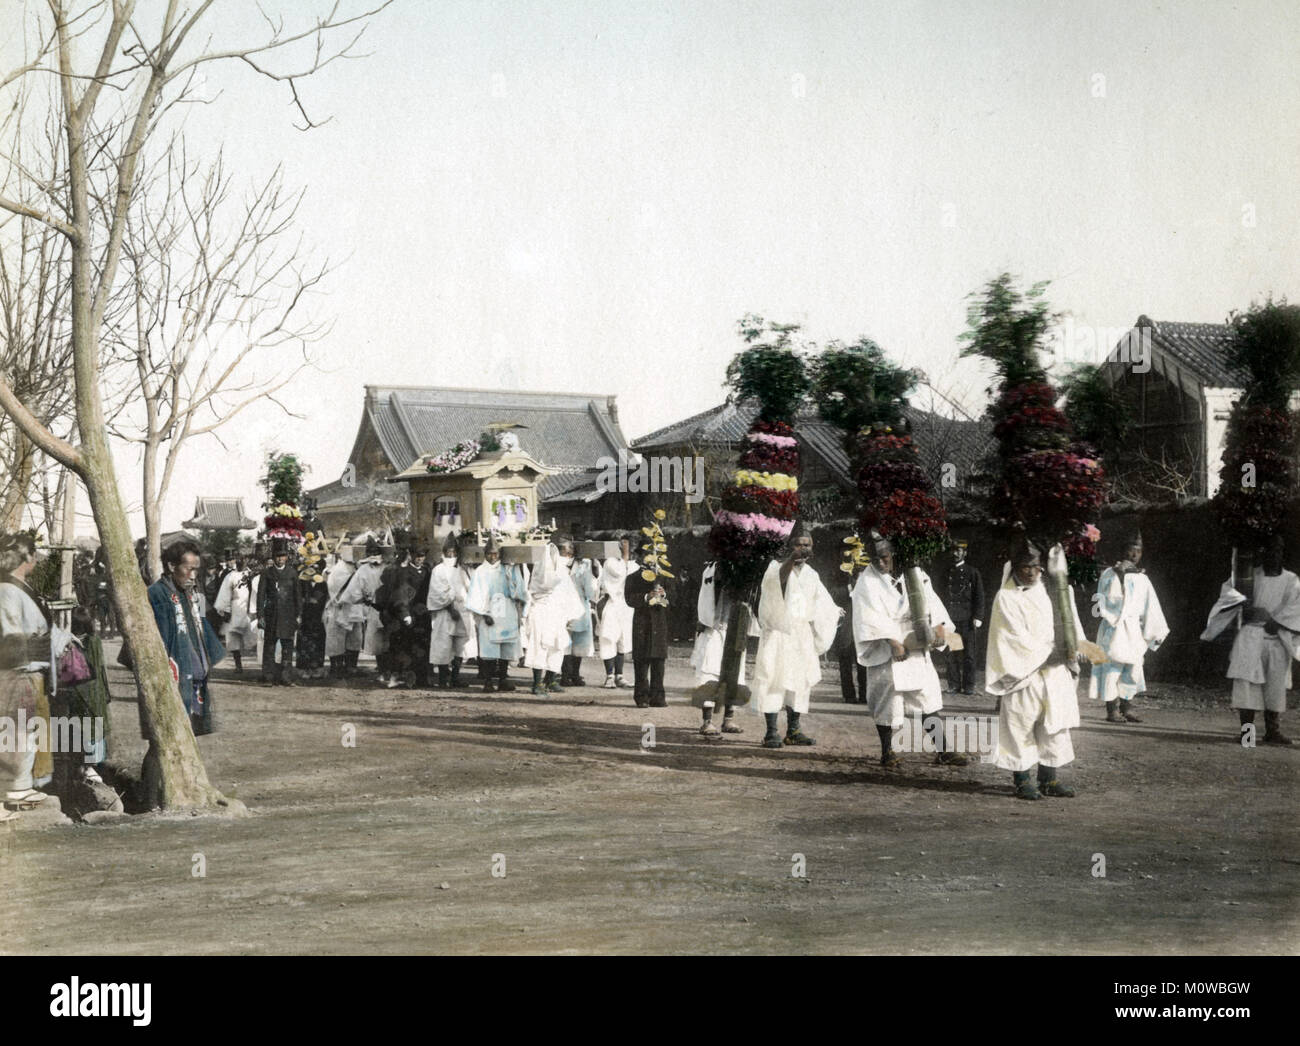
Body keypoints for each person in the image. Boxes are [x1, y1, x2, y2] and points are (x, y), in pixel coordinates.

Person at [852, 532, 966, 768]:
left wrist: (939, 633)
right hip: (888, 650)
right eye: (875, 559)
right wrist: (892, 642)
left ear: (894, 554)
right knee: (888, 702)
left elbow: (933, 604)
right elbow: (867, 616)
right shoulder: (867, 580)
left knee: (928, 699)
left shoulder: (915, 575)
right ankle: (887, 751)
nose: (880, 563)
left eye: (884, 557)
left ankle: (943, 750)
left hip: (915, 646)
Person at [987, 539, 1085, 800]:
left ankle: (1049, 779)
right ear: (1014, 567)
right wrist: (1047, 654)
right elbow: (1010, 638)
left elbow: (1069, 620)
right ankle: (1022, 779)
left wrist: (1073, 647)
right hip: (1024, 673)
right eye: (1024, 566)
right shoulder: (1006, 597)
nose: (1030, 572)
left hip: (1054, 672)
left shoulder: (1052, 591)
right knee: (1021, 723)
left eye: (1035, 566)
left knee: (1054, 724)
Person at [1201, 534, 1300, 745]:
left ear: (1282, 553)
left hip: (1277, 639)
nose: (1273, 554)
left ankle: (1273, 732)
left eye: (1277, 550)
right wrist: (1243, 603)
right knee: (1246, 686)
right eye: (1268, 550)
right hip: (1250, 637)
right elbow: (1228, 592)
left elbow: (1296, 607)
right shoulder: (1248, 576)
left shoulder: (1291, 580)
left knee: (1275, 686)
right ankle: (1248, 734)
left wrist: (1277, 621)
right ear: (1261, 553)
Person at [750, 526, 840, 749]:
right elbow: (777, 583)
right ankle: (771, 732)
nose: (803, 548)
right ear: (790, 546)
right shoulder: (776, 567)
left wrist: (834, 611)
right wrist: (791, 560)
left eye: (807, 545)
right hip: (779, 632)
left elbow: (823, 602)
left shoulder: (812, 574)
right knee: (773, 678)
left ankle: (794, 730)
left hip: (800, 635)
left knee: (799, 682)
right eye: (799, 544)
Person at [1088, 531, 1168, 723]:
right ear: (1123, 551)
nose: (1134, 555)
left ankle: (1127, 707)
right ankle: (1112, 710)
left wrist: (1153, 630)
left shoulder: (1142, 578)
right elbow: (1105, 600)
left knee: (1133, 668)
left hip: (1133, 628)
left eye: (1138, 552)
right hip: (1114, 626)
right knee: (1112, 667)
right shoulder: (1109, 574)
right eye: (1130, 550)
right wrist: (1121, 575)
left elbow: (1151, 605)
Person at [147, 539, 225, 735]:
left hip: (194, 676)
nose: (193, 576)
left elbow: (201, 630)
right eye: (188, 569)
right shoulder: (157, 593)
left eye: (196, 570)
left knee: (188, 735)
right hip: (174, 674)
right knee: (168, 737)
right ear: (172, 566)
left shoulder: (190, 593)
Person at [0, 532, 54, 813]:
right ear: (27, 558)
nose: (36, 559)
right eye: (34, 554)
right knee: (16, 730)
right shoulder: (8, 591)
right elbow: (10, 636)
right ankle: (13, 788)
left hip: (25, 669)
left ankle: (19, 786)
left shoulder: (17, 589)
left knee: (24, 730)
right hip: (16, 670)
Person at [692, 561, 750, 738]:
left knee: (735, 673)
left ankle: (728, 718)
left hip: (735, 627)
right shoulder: (713, 568)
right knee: (711, 673)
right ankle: (707, 721)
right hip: (715, 628)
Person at [522, 539, 585, 695]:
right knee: (540, 647)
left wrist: (570, 614)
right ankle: (537, 684)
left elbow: (568, 593)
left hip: (557, 613)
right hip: (541, 612)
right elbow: (543, 585)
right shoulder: (540, 570)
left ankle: (551, 680)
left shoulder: (561, 571)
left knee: (558, 646)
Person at [465, 537, 527, 692]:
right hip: (489, 611)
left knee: (506, 646)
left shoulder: (507, 569)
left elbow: (518, 590)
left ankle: (503, 679)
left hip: (507, 610)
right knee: (489, 649)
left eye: (496, 554)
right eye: (490, 554)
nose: (493, 557)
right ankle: (487, 681)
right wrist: (484, 614)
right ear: (485, 554)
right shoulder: (480, 571)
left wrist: (513, 571)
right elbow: (476, 594)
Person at [427, 534, 471, 688]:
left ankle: (455, 677)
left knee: (461, 646)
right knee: (443, 646)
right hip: (444, 613)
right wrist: (449, 608)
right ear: (443, 552)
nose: (451, 555)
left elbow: (469, 588)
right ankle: (442, 679)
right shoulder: (438, 570)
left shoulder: (462, 569)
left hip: (462, 612)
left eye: (453, 552)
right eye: (448, 552)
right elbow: (437, 592)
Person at [626, 561, 672, 708]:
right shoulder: (633, 577)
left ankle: (658, 696)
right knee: (641, 661)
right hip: (642, 623)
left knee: (659, 661)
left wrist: (664, 594)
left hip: (659, 622)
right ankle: (642, 697)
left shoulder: (664, 577)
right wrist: (647, 596)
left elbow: (675, 596)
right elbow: (629, 599)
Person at [257, 538, 302, 686]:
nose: (280, 559)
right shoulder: (267, 573)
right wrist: (260, 615)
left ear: (287, 557)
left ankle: (286, 677)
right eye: (277, 556)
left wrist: (299, 614)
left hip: (288, 615)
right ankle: (268, 677)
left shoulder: (292, 573)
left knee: (287, 646)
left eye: (282, 556)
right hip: (271, 614)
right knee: (269, 646)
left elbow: (297, 595)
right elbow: (261, 595)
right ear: (273, 557)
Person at [943, 540, 985, 695]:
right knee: (952, 654)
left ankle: (969, 686)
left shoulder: (972, 572)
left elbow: (979, 595)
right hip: (950, 620)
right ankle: (953, 685)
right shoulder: (947, 572)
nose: (955, 553)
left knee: (969, 655)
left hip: (967, 620)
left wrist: (978, 616)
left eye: (959, 551)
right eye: (953, 550)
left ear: (964, 553)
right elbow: (942, 595)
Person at [595, 536, 634, 689]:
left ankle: (619, 675)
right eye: (622, 546)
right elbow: (619, 574)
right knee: (609, 639)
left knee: (622, 641)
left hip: (624, 606)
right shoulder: (610, 562)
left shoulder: (627, 563)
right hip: (610, 604)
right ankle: (609, 676)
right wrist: (625, 555)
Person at [214, 554, 259, 673]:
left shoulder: (251, 575)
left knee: (252, 634)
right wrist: (226, 610)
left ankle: (257, 663)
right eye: (238, 561)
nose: (240, 563)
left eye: (243, 560)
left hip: (249, 606)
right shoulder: (230, 576)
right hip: (234, 608)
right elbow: (225, 593)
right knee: (233, 637)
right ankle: (238, 664)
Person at [562, 550, 599, 688]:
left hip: (579, 604)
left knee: (579, 641)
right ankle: (565, 674)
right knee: (565, 641)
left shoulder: (587, 563)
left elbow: (590, 589)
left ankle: (574, 674)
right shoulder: (562, 562)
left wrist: (594, 567)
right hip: (563, 604)